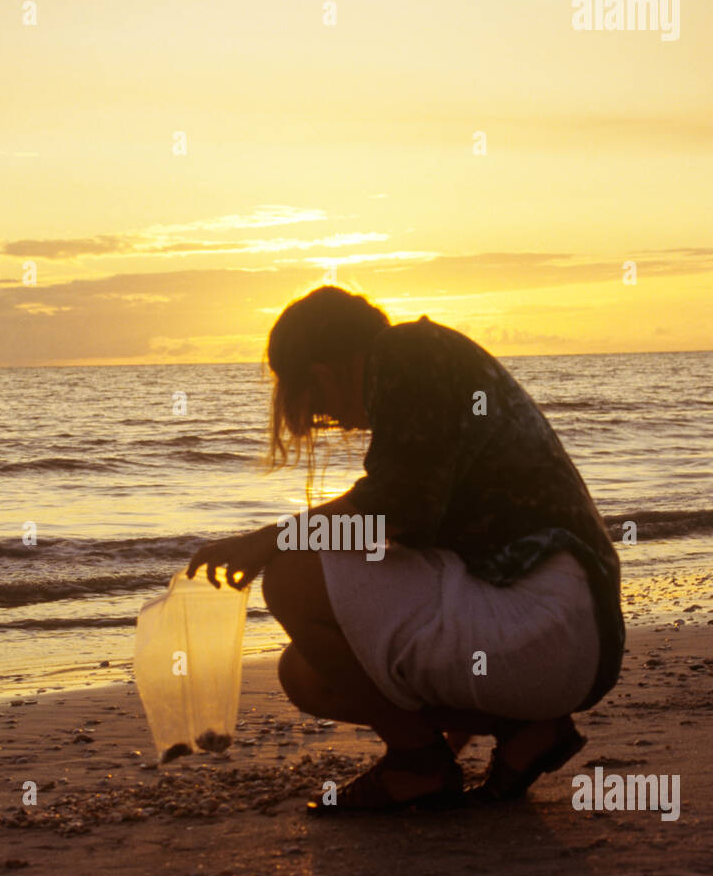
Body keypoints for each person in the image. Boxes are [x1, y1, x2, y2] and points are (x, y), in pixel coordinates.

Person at [189, 286, 624, 812]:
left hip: (545, 622)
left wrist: (267, 541)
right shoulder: (429, 362)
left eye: (319, 408)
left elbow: (395, 508)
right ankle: (527, 731)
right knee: (306, 673)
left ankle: (417, 766)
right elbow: (419, 536)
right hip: (572, 638)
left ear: (322, 374)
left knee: (291, 577)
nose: (341, 424)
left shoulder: (405, 354)